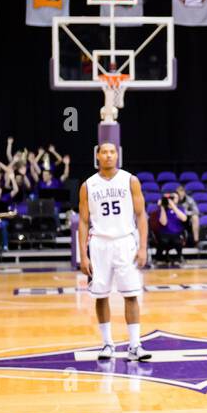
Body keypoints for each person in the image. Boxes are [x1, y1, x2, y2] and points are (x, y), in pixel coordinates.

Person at [77, 142, 150, 362]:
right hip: (99, 244)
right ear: (97, 155)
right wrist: (83, 254)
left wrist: (143, 247)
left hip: (125, 242)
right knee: (101, 295)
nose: (108, 155)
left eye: (112, 152)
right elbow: (82, 221)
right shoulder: (88, 185)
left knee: (130, 293)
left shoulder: (130, 180)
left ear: (117, 155)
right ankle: (107, 344)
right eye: (104, 152)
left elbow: (141, 215)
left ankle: (135, 345)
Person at [153, 193, 187, 268]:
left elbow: (184, 218)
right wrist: (162, 207)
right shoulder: (162, 210)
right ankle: (158, 258)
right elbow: (164, 223)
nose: (172, 199)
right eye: (171, 198)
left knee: (177, 241)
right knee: (163, 241)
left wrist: (173, 207)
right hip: (164, 234)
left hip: (177, 234)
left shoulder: (180, 209)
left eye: (174, 198)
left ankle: (179, 258)